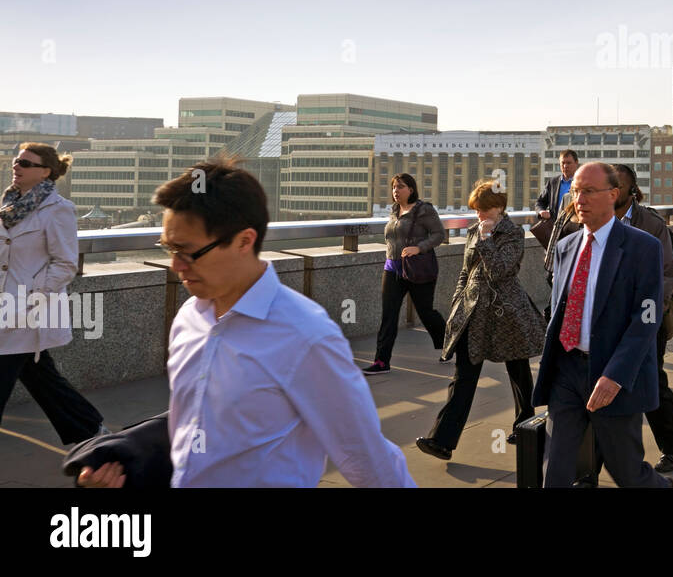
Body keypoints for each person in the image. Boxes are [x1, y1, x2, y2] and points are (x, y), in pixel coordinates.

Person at [82, 156, 415, 487]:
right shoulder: (188, 318)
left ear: (244, 240)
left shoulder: (305, 335)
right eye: (168, 248)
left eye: (187, 251)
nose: (175, 265)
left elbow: (366, 458)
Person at [532, 162, 670, 488]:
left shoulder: (642, 248)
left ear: (613, 194)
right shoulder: (566, 247)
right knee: (556, 468)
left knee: (627, 473)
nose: (579, 199)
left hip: (612, 373)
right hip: (567, 371)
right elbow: (560, 310)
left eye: (589, 191)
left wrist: (616, 375)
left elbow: (646, 319)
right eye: (576, 191)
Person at [416, 181, 544, 460]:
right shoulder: (475, 230)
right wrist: (457, 301)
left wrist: (486, 241)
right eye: (476, 210)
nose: (479, 216)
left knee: (519, 370)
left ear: (499, 207)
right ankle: (442, 440)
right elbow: (466, 270)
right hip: (473, 312)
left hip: (505, 312)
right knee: (464, 374)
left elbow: (499, 271)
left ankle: (526, 425)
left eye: (485, 210)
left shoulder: (512, 233)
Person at [0, 144, 106, 444]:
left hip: (26, 312)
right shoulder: (9, 205)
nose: (15, 166)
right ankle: (93, 433)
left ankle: (94, 434)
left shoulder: (58, 209)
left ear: (45, 171)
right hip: (4, 308)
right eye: (15, 161)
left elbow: (65, 264)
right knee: (42, 379)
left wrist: (31, 298)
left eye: (24, 162)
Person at [613, 165, 673, 473]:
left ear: (631, 191)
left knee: (651, 382)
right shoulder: (591, 220)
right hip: (606, 319)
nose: (610, 190)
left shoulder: (651, 224)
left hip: (644, 317)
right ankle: (593, 463)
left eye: (616, 185)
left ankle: (672, 445)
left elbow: (666, 274)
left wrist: (645, 317)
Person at [363, 173, 447, 375]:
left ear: (411, 189)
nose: (395, 190)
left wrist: (419, 248)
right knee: (388, 316)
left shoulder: (423, 210)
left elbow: (439, 234)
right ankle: (382, 361)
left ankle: (451, 343)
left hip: (417, 268)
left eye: (400, 186)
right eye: (393, 187)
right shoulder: (394, 210)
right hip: (392, 269)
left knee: (426, 312)